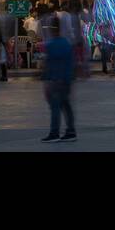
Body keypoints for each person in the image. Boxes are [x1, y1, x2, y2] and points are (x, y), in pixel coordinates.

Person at [41, 15, 76, 143]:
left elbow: (48, 65)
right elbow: (71, 63)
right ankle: (71, 131)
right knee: (66, 105)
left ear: (51, 29)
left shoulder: (50, 45)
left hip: (55, 80)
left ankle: (54, 132)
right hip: (65, 80)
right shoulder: (66, 44)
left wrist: (46, 79)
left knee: (55, 107)